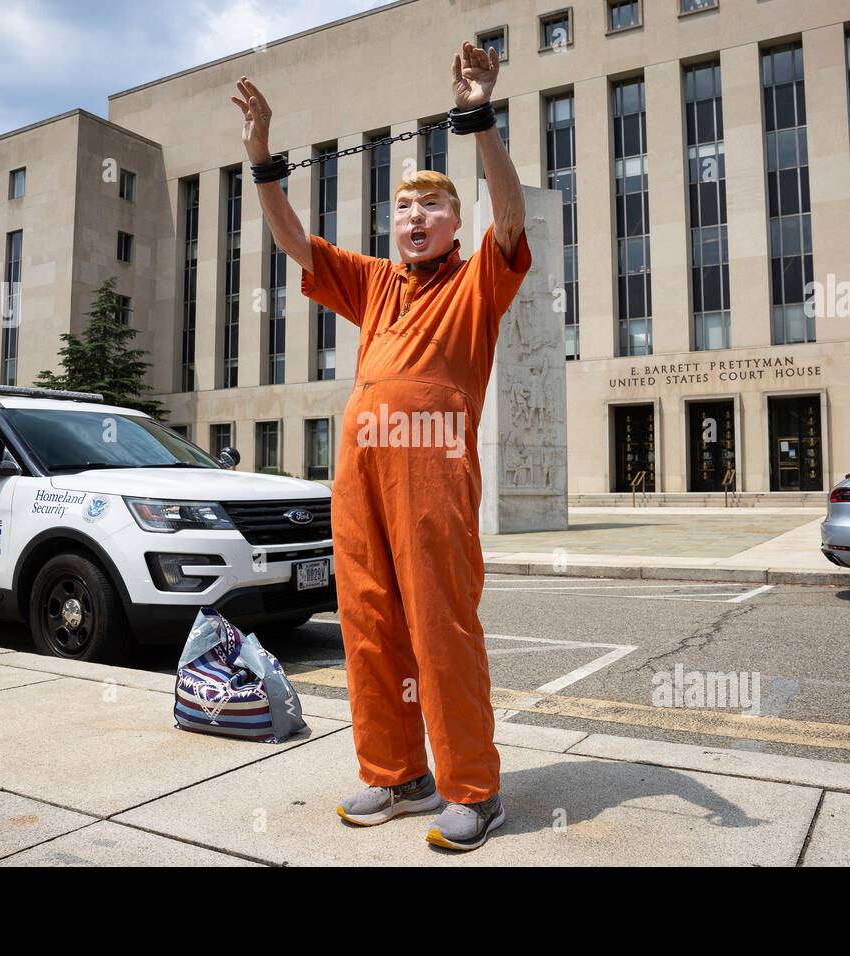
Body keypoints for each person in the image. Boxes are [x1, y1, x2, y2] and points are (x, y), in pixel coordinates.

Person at [231, 40, 530, 852]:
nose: (414, 219)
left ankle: (476, 789)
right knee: (368, 625)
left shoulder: (478, 281)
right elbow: (296, 241)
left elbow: (512, 214)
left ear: (454, 223)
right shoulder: (374, 283)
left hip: (431, 475)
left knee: (440, 628)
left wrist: (477, 118)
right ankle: (398, 775)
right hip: (360, 475)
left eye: (431, 208)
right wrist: (261, 157)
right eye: (403, 209)